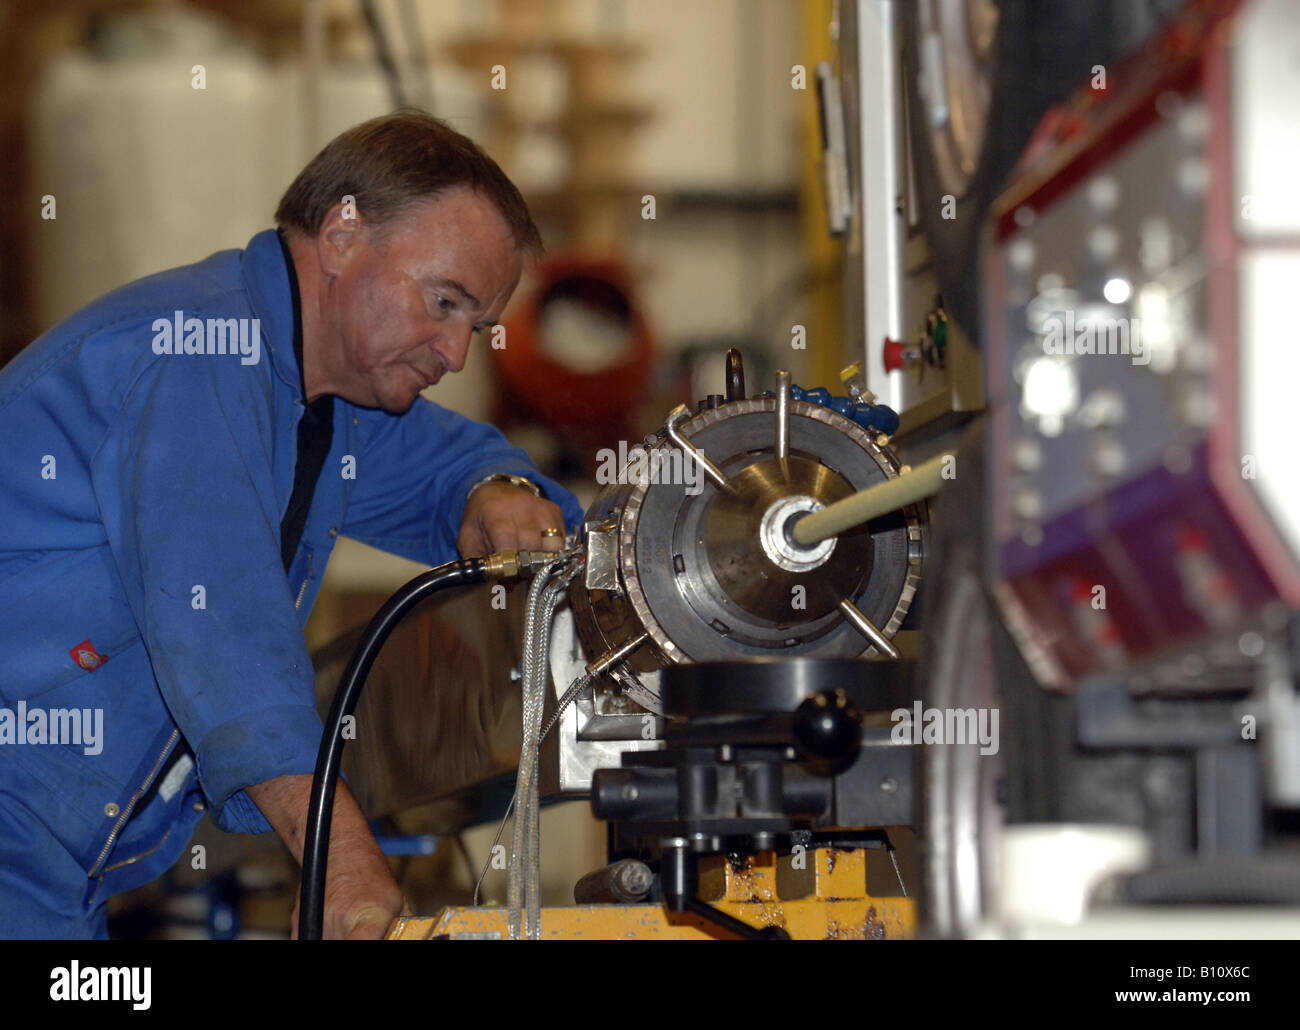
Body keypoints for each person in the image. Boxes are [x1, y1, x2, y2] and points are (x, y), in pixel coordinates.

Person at [0, 109, 583, 939]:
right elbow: (223, 631)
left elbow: (443, 463)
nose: (457, 354)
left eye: (476, 325)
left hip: (50, 862)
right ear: (343, 233)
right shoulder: (199, 353)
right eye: (443, 300)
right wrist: (341, 855)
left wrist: (493, 488)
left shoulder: (317, 400)